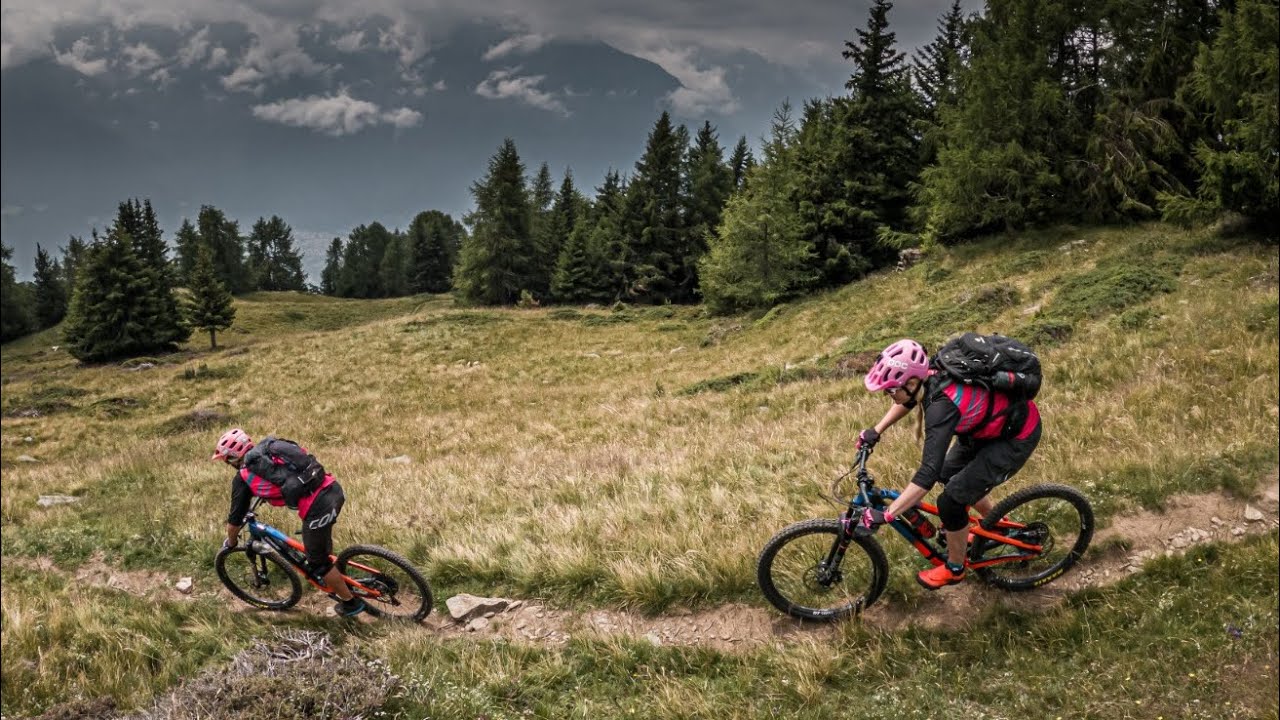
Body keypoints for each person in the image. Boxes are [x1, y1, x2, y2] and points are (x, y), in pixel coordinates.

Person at [853, 338, 1042, 590]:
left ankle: (955, 568)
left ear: (911, 382)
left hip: (1014, 437)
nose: (889, 395)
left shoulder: (940, 407)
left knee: (950, 502)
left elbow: (926, 476)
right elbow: (908, 400)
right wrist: (875, 430)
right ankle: (995, 523)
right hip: (985, 429)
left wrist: (887, 514)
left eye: (890, 389)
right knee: (948, 475)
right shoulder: (930, 373)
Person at [212, 428, 366, 617]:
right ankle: (335, 574)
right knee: (319, 545)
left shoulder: (243, 477)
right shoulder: (272, 448)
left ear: (233, 458)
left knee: (317, 562)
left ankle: (351, 603)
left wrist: (232, 542)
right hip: (332, 488)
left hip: (317, 507)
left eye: (227, 460)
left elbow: (235, 521)